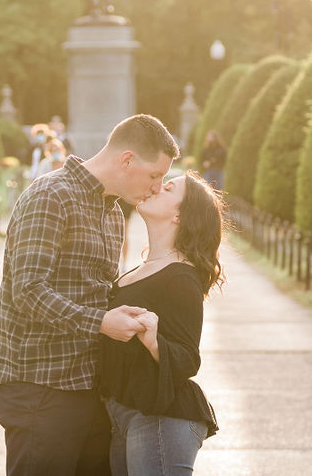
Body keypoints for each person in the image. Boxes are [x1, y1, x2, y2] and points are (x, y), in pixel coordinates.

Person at [0, 114, 181, 475]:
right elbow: (27, 290)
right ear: (126, 160)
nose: (158, 187)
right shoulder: (50, 196)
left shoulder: (112, 214)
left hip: (87, 388)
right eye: (155, 175)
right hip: (39, 386)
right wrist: (102, 322)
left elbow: (98, 293)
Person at [100, 172, 225, 476]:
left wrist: (153, 340)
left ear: (180, 215)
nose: (156, 186)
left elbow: (187, 359)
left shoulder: (181, 277)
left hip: (161, 417)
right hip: (122, 412)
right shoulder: (140, 269)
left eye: (168, 188)